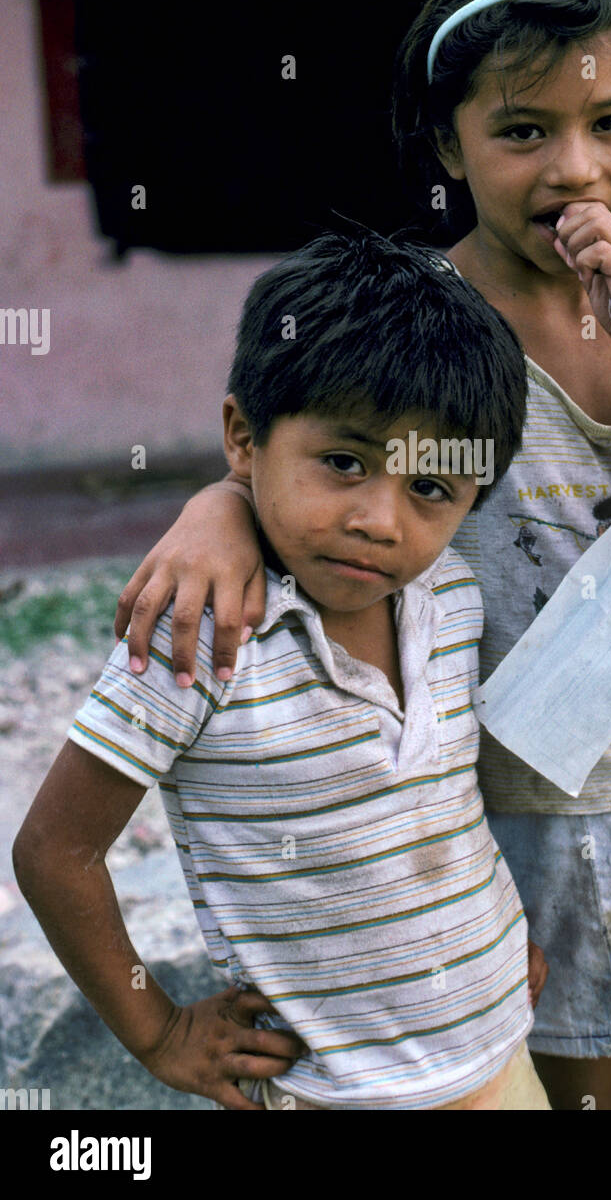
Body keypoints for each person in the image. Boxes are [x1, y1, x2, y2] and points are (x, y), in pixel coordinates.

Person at [110, 0, 611, 1110]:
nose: (571, 167)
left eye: (609, 123)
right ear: (448, 144)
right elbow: (315, 462)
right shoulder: (428, 327)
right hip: (544, 811)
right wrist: (220, 504)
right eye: (522, 131)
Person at [13, 229, 553, 1111]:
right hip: (328, 1092)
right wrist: (158, 1031)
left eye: (430, 488)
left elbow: (438, 803)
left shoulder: (449, 599)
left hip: (496, 1054)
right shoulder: (201, 636)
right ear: (243, 435)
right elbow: (54, 853)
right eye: (344, 463)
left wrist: (485, 948)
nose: (380, 519)